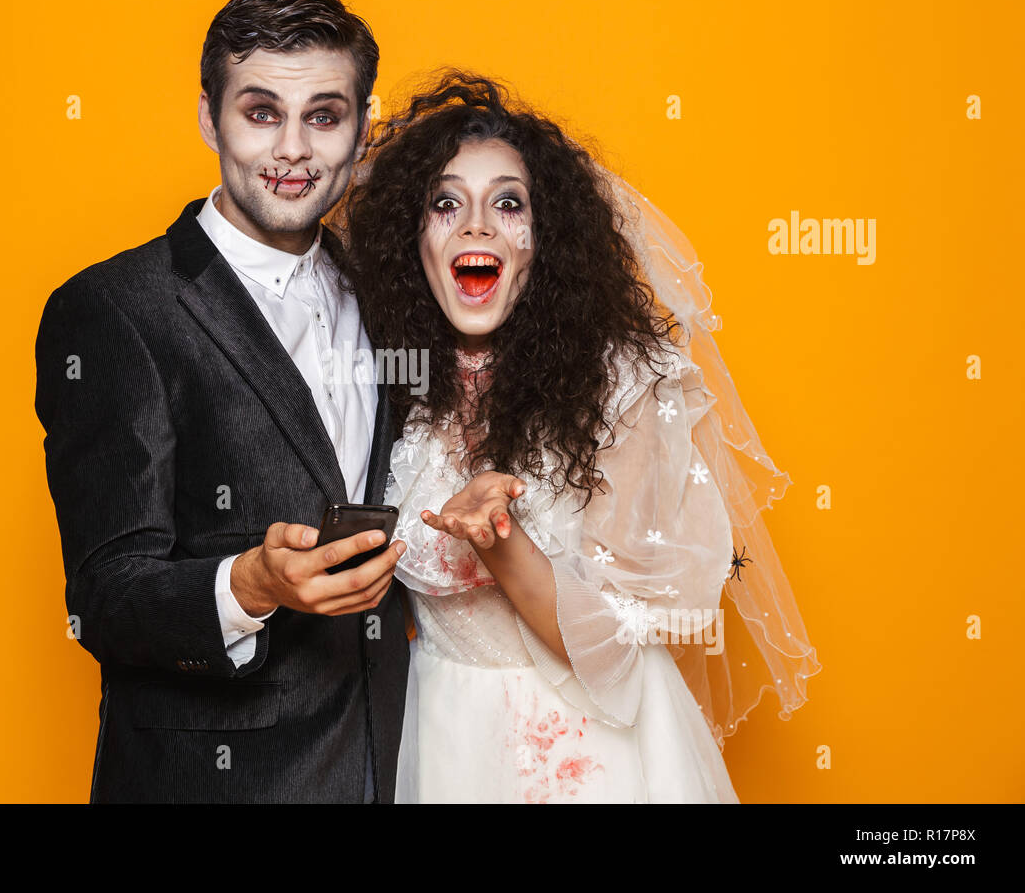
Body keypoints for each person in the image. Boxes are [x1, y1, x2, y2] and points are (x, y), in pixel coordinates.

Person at [334, 71, 822, 802]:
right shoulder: (388, 376)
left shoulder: (624, 382)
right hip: (441, 736)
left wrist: (500, 539)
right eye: (445, 203)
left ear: (545, 239)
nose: (476, 227)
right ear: (414, 239)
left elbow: (614, 649)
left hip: (591, 750)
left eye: (508, 203)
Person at [33, 0, 410, 803]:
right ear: (210, 118)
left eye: (323, 115)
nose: (293, 150)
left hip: (387, 765)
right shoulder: (112, 311)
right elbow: (104, 598)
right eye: (260, 111)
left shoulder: (390, 297)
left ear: (362, 128)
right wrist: (251, 583)